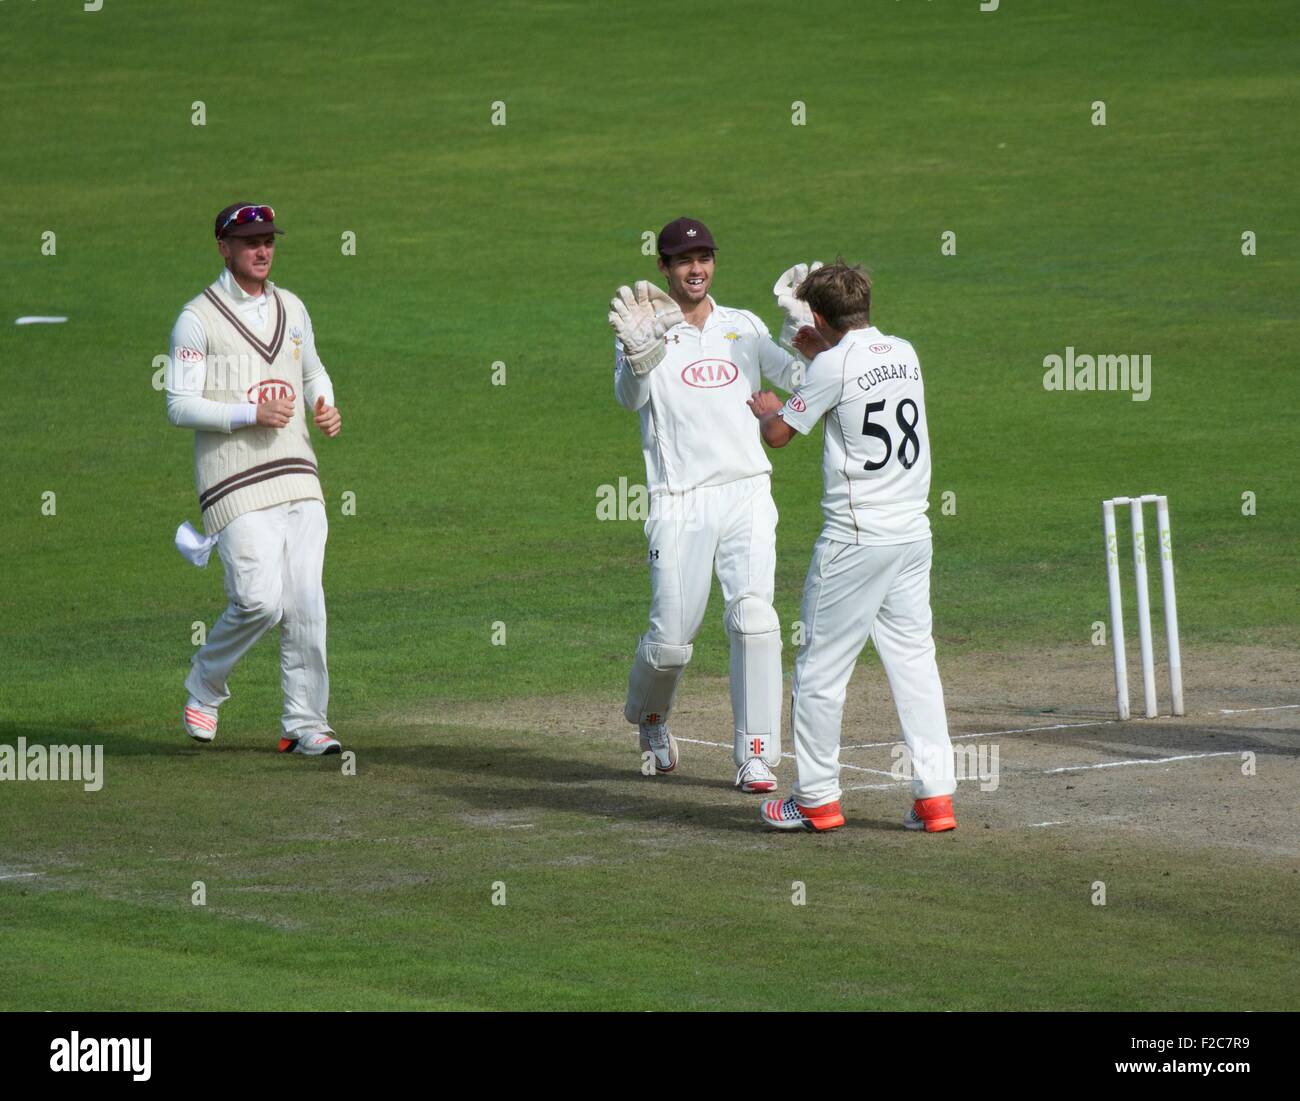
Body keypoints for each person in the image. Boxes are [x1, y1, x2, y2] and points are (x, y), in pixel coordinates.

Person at [747, 261, 957, 832]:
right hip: (912, 535)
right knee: (915, 661)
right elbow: (849, 375)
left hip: (855, 540)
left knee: (819, 670)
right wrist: (818, 349)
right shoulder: (905, 352)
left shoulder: (832, 366)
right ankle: (936, 798)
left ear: (818, 316)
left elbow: (780, 436)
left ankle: (815, 800)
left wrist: (768, 409)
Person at [607, 216, 814, 793]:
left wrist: (806, 333)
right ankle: (650, 718)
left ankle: (755, 755)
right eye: (683, 261)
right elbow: (629, 399)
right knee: (671, 640)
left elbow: (802, 379)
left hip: (747, 489)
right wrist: (640, 353)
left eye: (704, 259)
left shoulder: (742, 326)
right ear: (664, 268)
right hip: (680, 499)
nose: (696, 270)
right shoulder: (644, 327)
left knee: (754, 619)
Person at [165, 202, 343, 756]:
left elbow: (312, 368)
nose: (262, 250)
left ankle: (306, 724)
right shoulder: (197, 318)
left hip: (298, 474)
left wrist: (324, 403)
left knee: (306, 603)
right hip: (233, 481)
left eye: (268, 240)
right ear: (224, 248)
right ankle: (207, 682)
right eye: (249, 242)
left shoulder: (292, 306)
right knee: (259, 601)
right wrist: (249, 412)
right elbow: (178, 405)